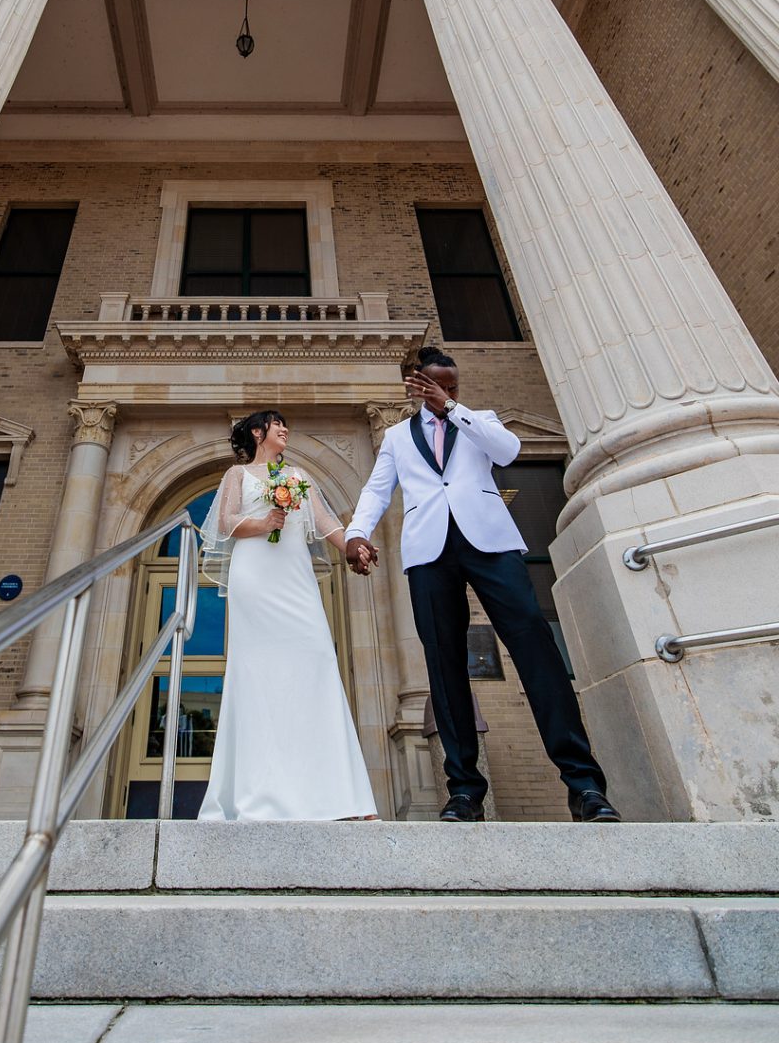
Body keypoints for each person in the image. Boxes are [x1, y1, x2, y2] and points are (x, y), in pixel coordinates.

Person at [345, 349, 620, 823]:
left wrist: (452, 409)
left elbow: (508, 451)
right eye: (437, 386)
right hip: (429, 553)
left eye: (453, 386)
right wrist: (356, 533)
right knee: (444, 667)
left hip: (491, 545)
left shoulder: (480, 420)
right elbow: (377, 489)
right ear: (414, 385)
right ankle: (465, 792)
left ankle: (584, 785)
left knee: (536, 650)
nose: (447, 393)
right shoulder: (395, 436)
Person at [197, 409, 378, 822]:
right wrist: (262, 523)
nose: (285, 430)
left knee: (316, 663)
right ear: (258, 432)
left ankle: (340, 798)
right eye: (277, 424)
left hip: (295, 581)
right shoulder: (237, 476)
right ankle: (261, 794)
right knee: (259, 673)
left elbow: (324, 520)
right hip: (256, 579)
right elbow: (223, 522)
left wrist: (353, 544)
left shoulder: (298, 475)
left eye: (286, 425)